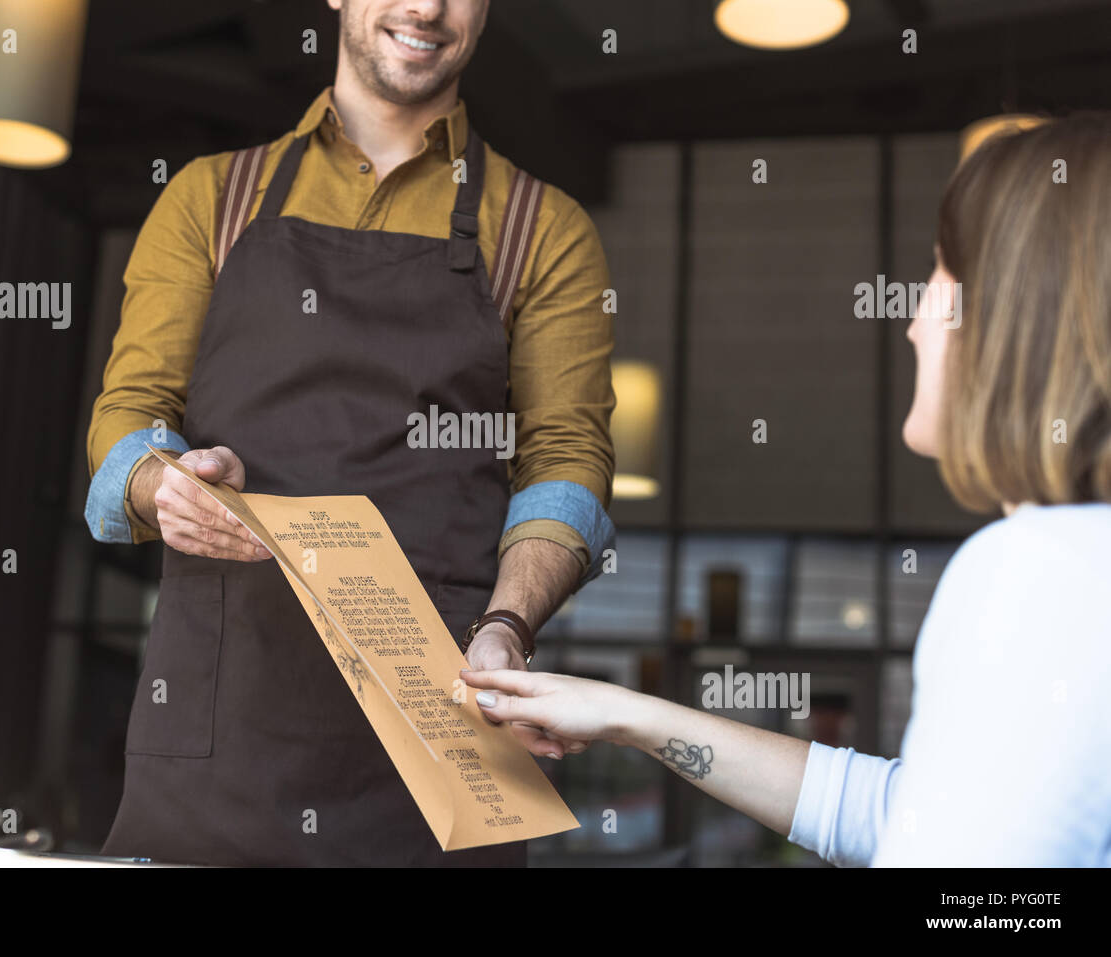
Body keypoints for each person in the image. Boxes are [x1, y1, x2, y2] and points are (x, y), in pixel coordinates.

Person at [463, 113, 1111, 867]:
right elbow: (893, 810)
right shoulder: (1079, 562)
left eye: (940, 274)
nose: (913, 319)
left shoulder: (1035, 568)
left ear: (1015, 317)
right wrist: (622, 713)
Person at [84, 0, 616, 866]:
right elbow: (129, 414)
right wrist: (160, 482)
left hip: (442, 725)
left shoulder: (541, 228)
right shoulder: (211, 197)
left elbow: (566, 459)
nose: (425, 8)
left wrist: (509, 626)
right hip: (223, 711)